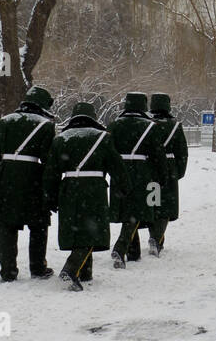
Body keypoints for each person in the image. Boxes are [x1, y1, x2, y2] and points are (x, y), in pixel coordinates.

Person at [42, 101, 129, 291]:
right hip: (94, 188)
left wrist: (50, 196)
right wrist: (123, 188)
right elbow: (117, 166)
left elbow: (51, 172)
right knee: (92, 230)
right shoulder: (102, 138)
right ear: (93, 117)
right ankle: (71, 269)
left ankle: (86, 271)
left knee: (77, 228)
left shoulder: (61, 139)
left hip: (69, 188)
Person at [0, 85, 57, 282]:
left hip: (5, 178)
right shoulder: (45, 125)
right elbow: (49, 159)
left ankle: (8, 272)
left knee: (7, 226)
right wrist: (51, 184)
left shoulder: (4, 121)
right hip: (33, 179)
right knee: (38, 225)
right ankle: (38, 268)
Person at [108, 91, 170, 268]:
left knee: (127, 210)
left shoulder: (113, 126)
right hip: (141, 172)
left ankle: (133, 252)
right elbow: (158, 155)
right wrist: (162, 177)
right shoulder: (150, 127)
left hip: (118, 172)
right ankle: (120, 248)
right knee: (136, 213)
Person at [144, 92, 187, 256]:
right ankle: (156, 238)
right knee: (166, 206)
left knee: (152, 203)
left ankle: (153, 236)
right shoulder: (175, 125)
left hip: (149, 168)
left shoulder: (146, 124)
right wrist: (178, 172)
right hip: (169, 168)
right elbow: (182, 152)